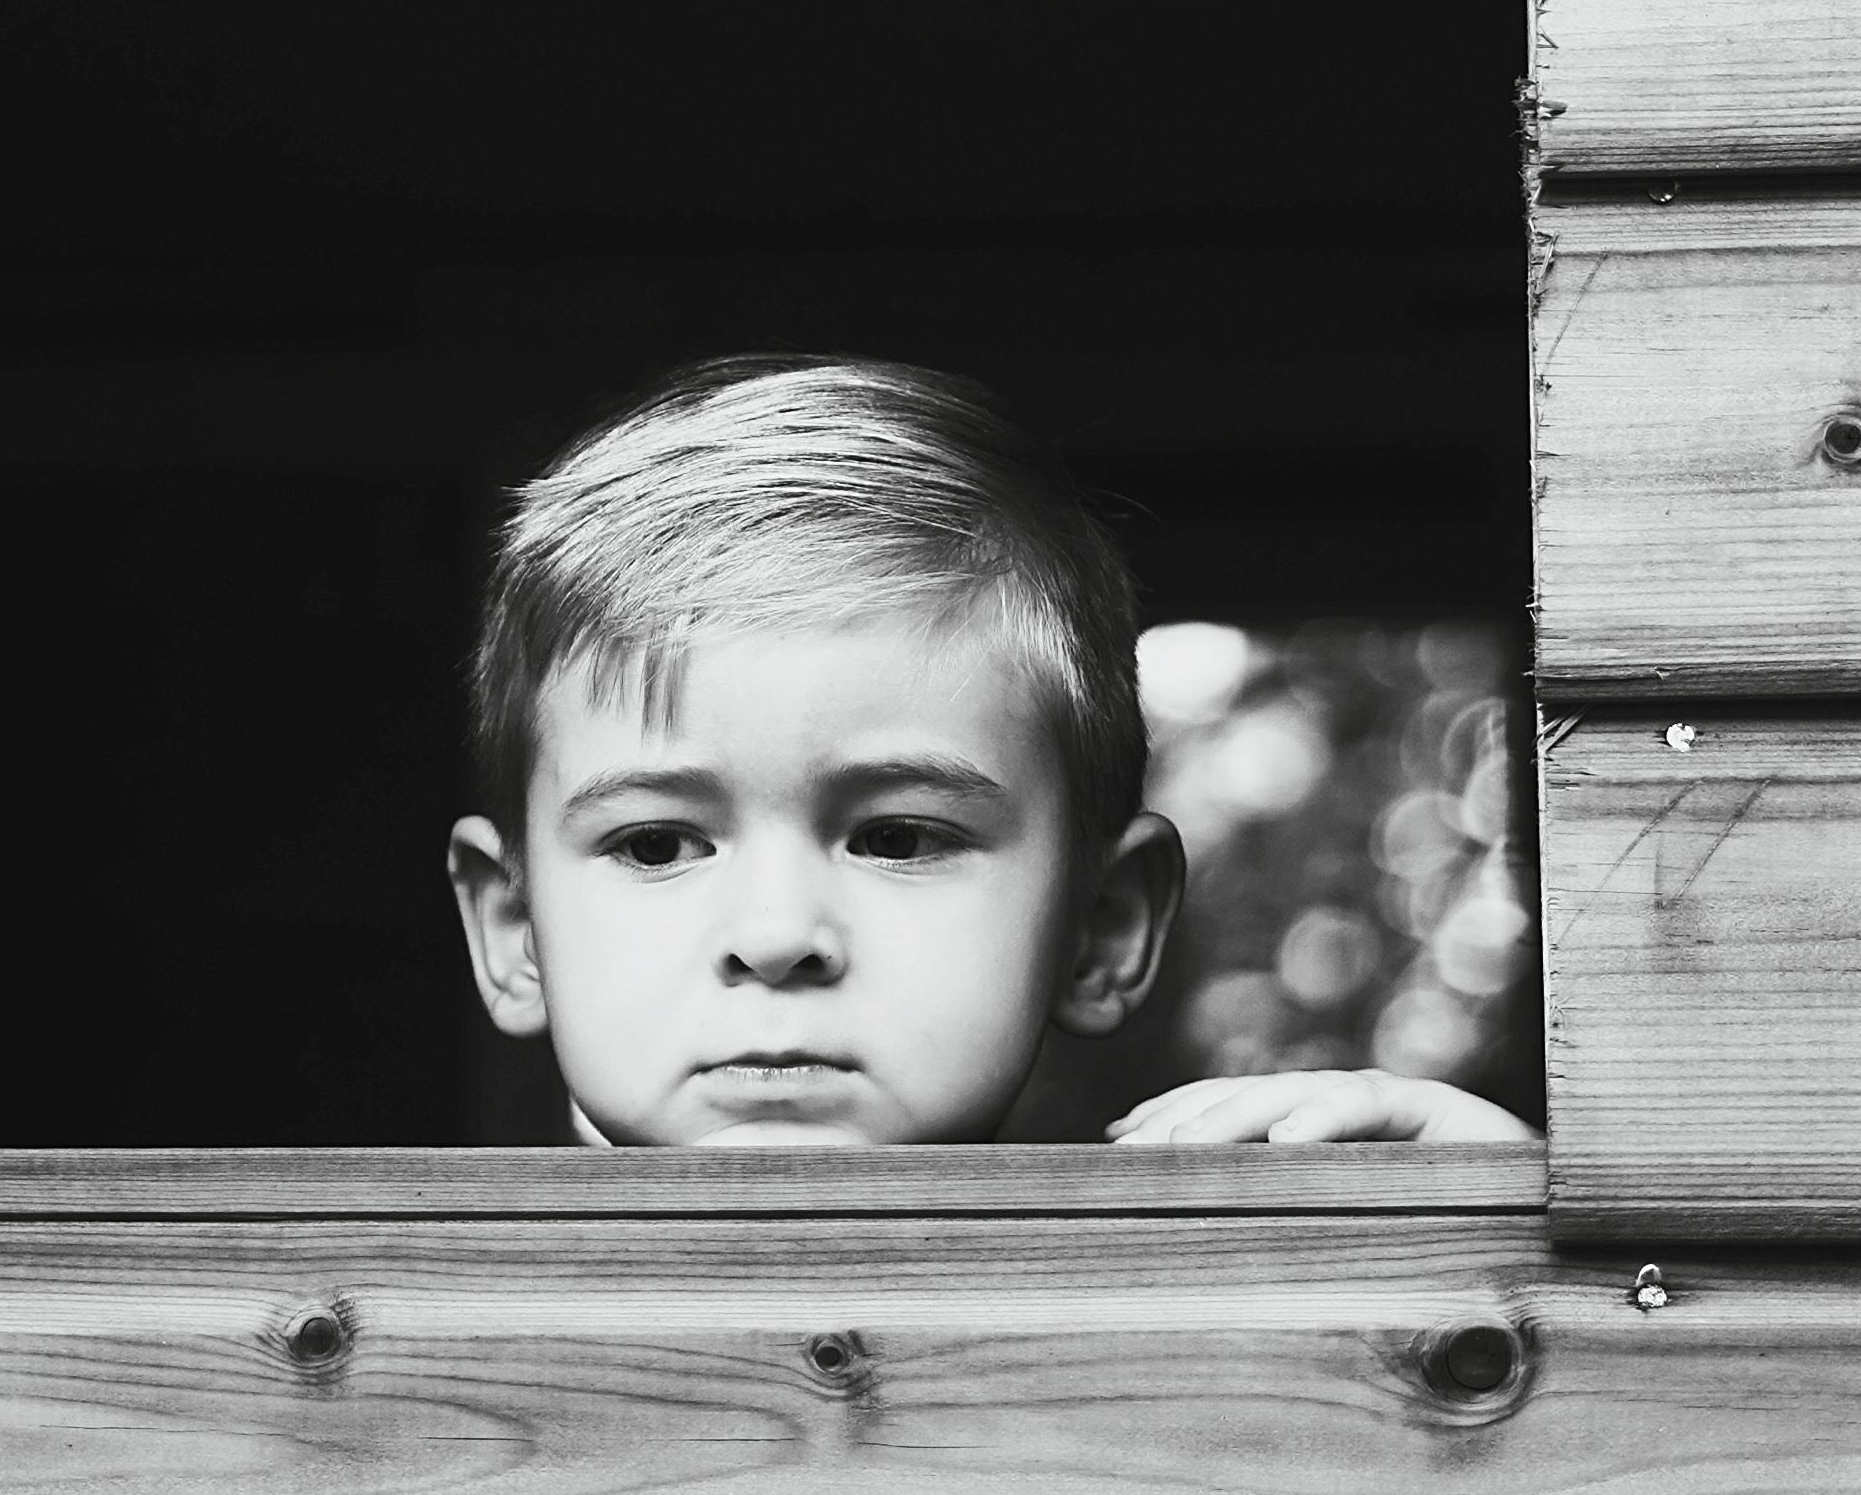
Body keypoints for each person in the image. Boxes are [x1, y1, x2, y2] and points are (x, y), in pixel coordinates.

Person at [447, 354, 1534, 1148]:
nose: (776, 936)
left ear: (1103, 927)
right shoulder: (374, 1321)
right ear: (513, 929)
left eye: (900, 834)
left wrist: (1497, 1236)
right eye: (654, 843)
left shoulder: (1201, 1301)